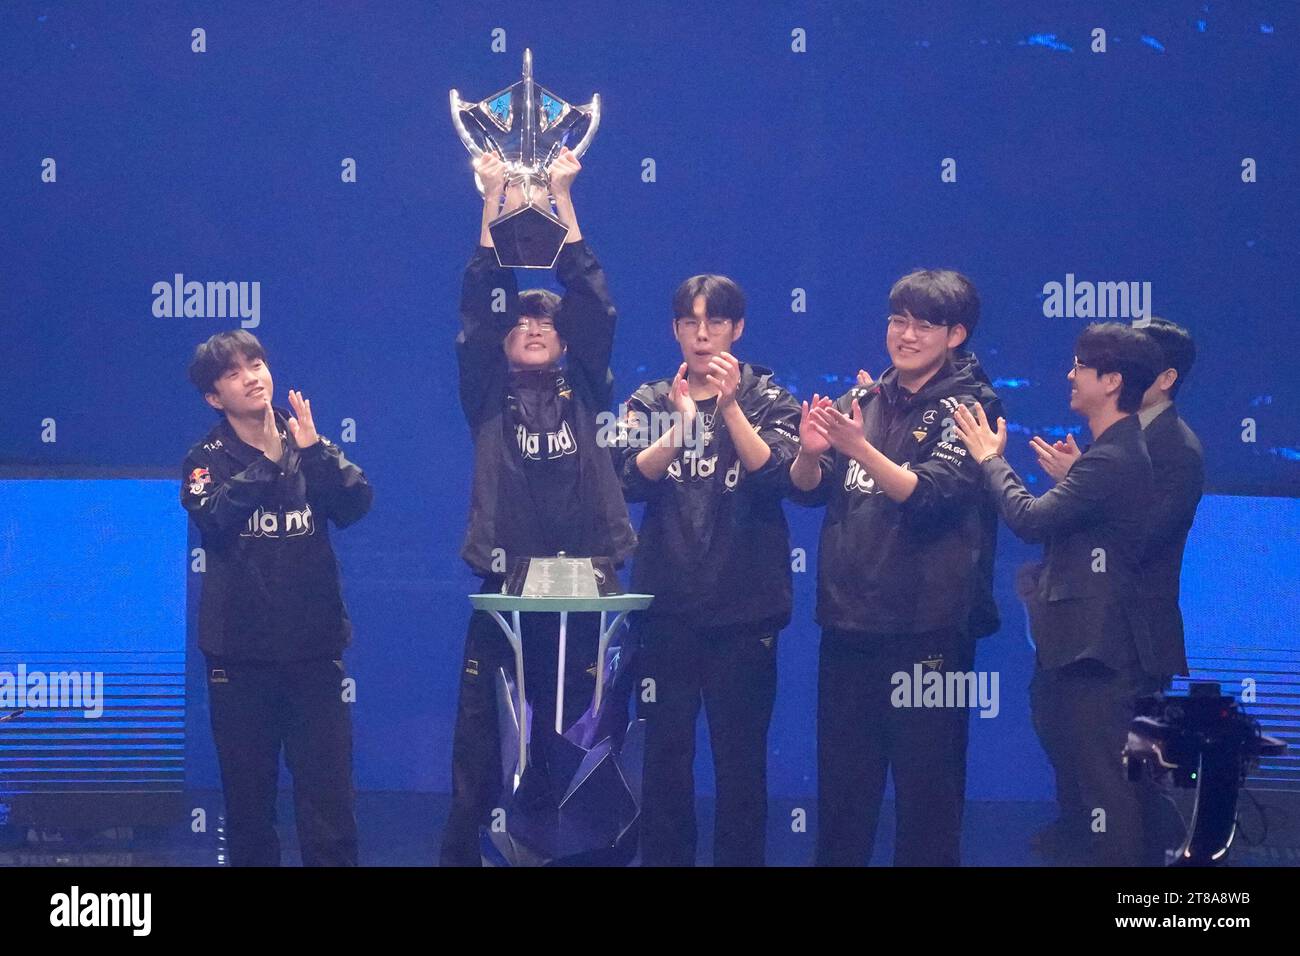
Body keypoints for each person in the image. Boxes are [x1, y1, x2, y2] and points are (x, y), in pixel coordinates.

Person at [440, 147, 636, 867]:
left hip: (591, 592)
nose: (532, 326)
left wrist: (561, 200)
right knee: (486, 745)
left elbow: (595, 306)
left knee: (588, 741)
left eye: (545, 322)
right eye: (520, 322)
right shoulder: (485, 391)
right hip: (507, 589)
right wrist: (493, 199)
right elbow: (477, 302)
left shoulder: (586, 385)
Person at [789, 269, 1003, 866]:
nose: (905, 335)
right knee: (842, 801)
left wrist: (860, 448)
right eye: (897, 320)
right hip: (849, 628)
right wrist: (810, 453)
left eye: (924, 325)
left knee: (928, 804)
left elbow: (933, 496)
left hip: (929, 632)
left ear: (956, 334)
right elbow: (810, 490)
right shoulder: (865, 398)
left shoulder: (973, 407)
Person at [952, 321, 1165, 866]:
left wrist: (988, 458)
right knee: (1093, 785)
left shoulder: (1114, 457)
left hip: (1099, 651)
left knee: (1106, 791)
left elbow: (1029, 518)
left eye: (1080, 366)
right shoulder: (1107, 454)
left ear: (1112, 380)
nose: (1070, 375)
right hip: (1080, 647)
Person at [613, 274, 801, 866]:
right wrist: (683, 424)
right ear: (675, 329)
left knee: (740, 762)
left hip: (746, 614)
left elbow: (779, 476)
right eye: (690, 323)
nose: (702, 334)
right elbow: (628, 479)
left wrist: (730, 409)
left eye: (714, 322)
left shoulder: (771, 399)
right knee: (665, 760)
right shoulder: (649, 399)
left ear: (737, 328)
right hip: (666, 611)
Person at [181, 330, 373, 866]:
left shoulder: (306, 444)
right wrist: (266, 463)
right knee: (248, 806)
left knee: (330, 805)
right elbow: (213, 519)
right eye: (234, 372)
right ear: (214, 397)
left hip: (314, 655)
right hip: (240, 661)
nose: (252, 376)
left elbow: (357, 504)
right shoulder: (205, 457)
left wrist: (312, 453)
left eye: (257, 363)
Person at [1028, 318, 1202, 863]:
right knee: (1079, 769)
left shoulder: (1174, 447)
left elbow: (1140, 538)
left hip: (1126, 639)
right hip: (1080, 635)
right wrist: (1080, 486)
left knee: (1117, 782)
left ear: (1165, 375)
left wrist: (1083, 489)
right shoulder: (1117, 443)